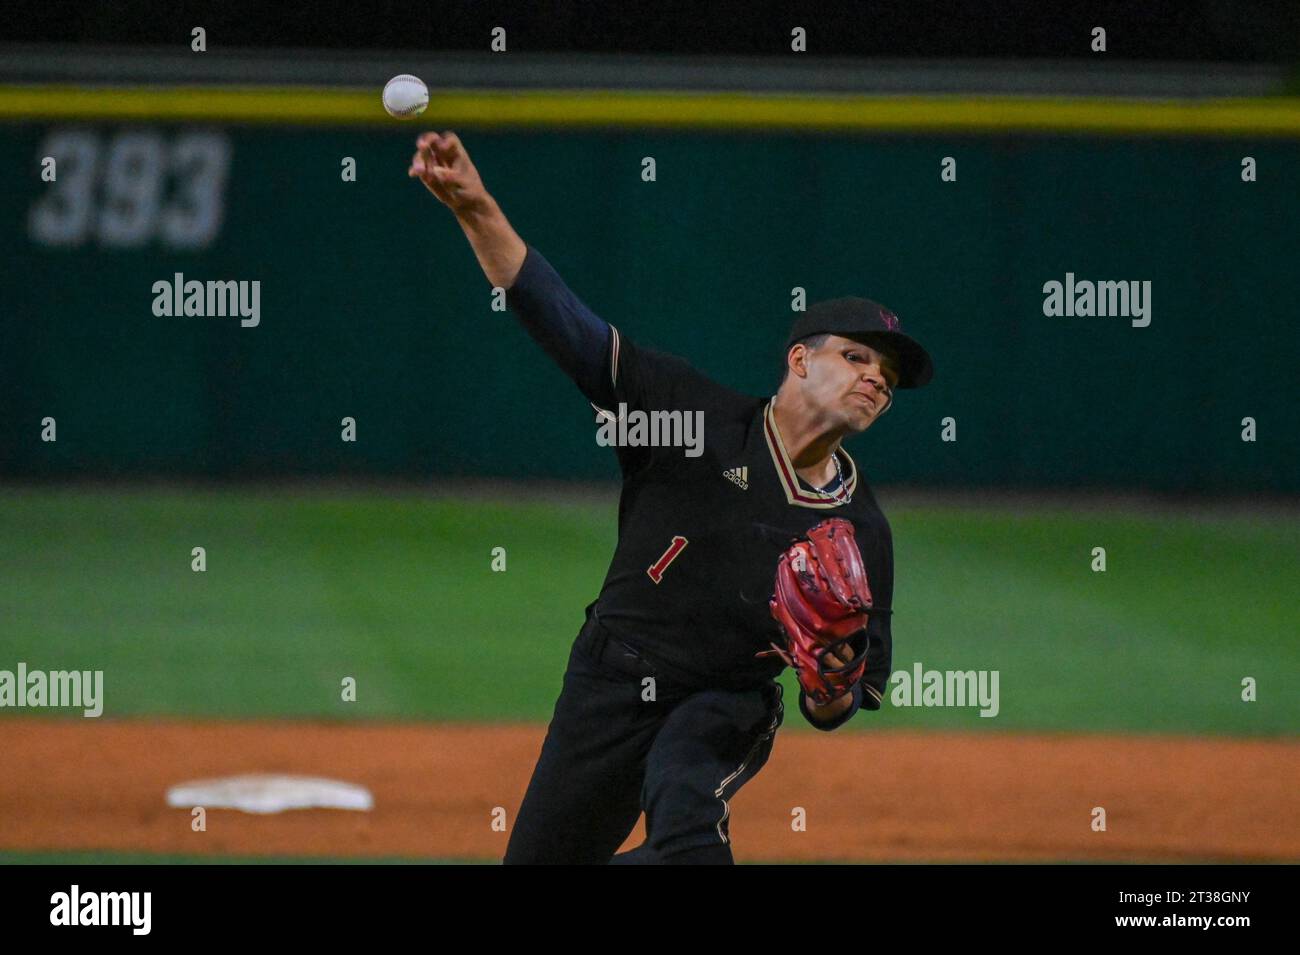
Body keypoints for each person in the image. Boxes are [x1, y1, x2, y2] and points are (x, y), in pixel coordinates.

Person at [409, 131, 934, 865]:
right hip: (608, 679)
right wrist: (476, 207)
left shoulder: (862, 528)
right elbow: (566, 326)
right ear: (799, 360)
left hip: (722, 701)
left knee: (687, 819)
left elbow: (836, 706)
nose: (876, 378)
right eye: (856, 357)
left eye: (887, 375)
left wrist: (831, 676)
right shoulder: (689, 417)